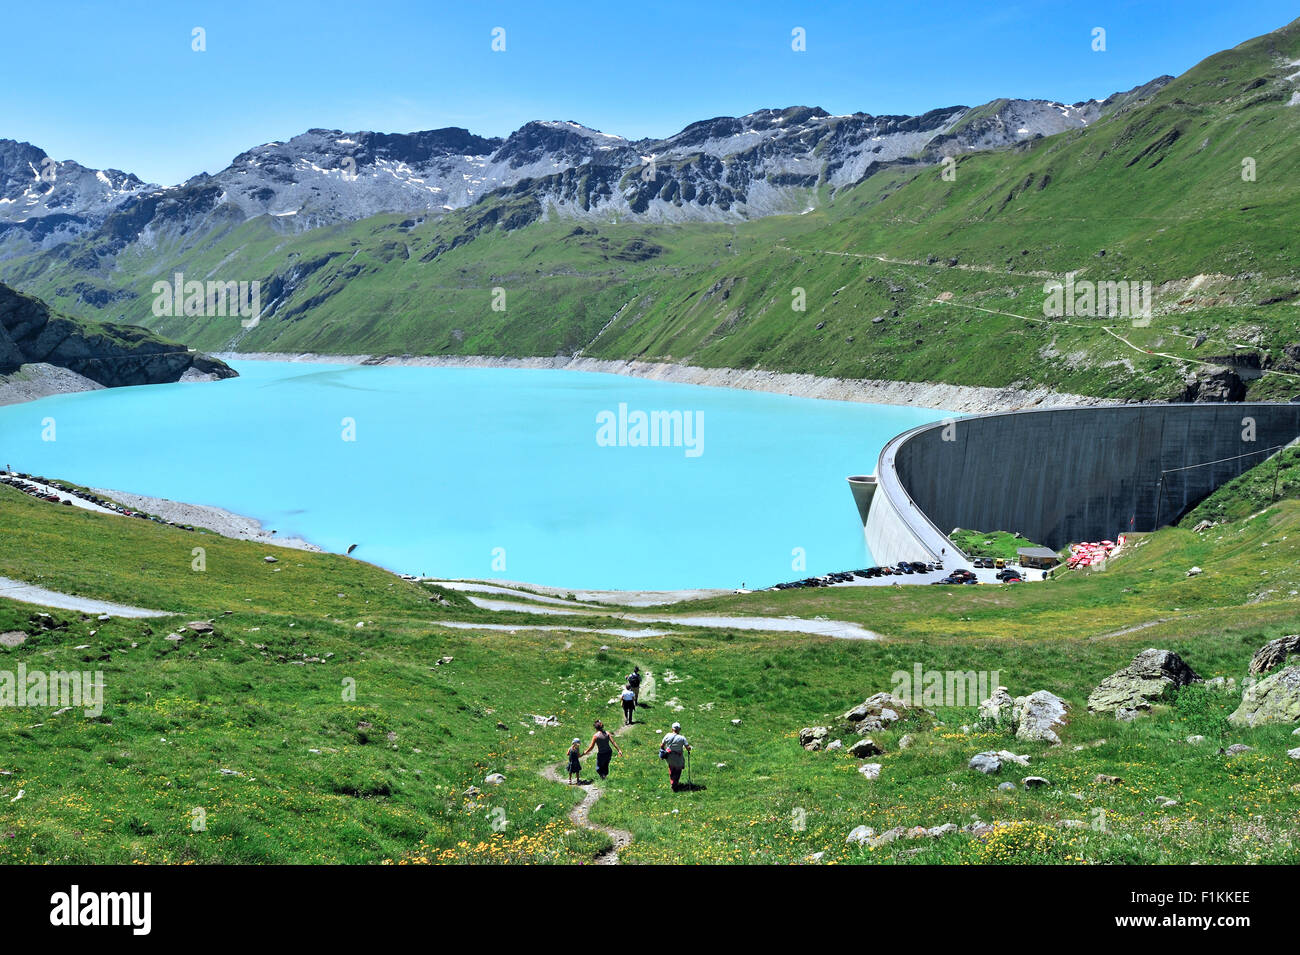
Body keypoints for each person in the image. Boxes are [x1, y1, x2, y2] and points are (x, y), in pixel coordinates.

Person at [660, 722, 691, 792]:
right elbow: (688, 748)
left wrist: (664, 751)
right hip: (678, 757)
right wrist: (689, 748)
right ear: (679, 729)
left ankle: (672, 782)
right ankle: (675, 784)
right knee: (678, 770)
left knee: (671, 768)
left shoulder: (667, 735)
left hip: (669, 756)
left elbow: (662, 745)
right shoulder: (682, 738)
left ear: (672, 729)